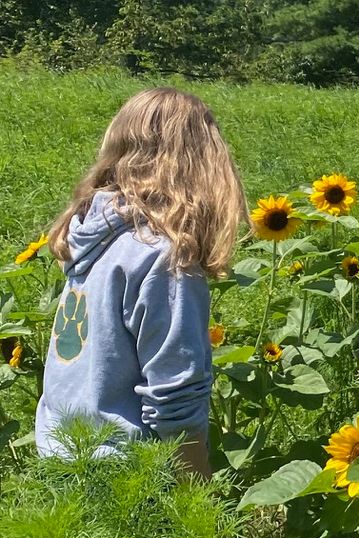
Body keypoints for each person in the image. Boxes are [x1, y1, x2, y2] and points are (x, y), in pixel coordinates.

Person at [34, 87, 246, 477]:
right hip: (130, 482)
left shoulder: (90, 236)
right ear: (205, 166)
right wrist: (195, 502)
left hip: (61, 461)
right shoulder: (163, 258)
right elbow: (175, 401)